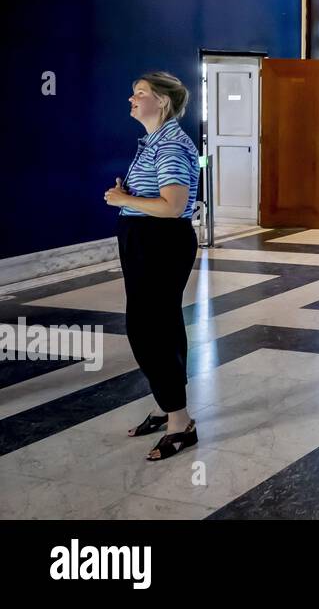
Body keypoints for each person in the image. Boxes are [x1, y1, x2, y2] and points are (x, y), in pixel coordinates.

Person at [103, 71, 201, 461]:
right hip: (147, 241)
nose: (132, 99)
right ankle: (166, 406)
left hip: (160, 243)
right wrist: (129, 197)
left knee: (146, 329)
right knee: (163, 324)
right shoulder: (153, 142)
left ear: (161, 101)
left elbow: (173, 207)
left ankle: (181, 422)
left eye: (139, 93)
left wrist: (119, 199)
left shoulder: (172, 145)